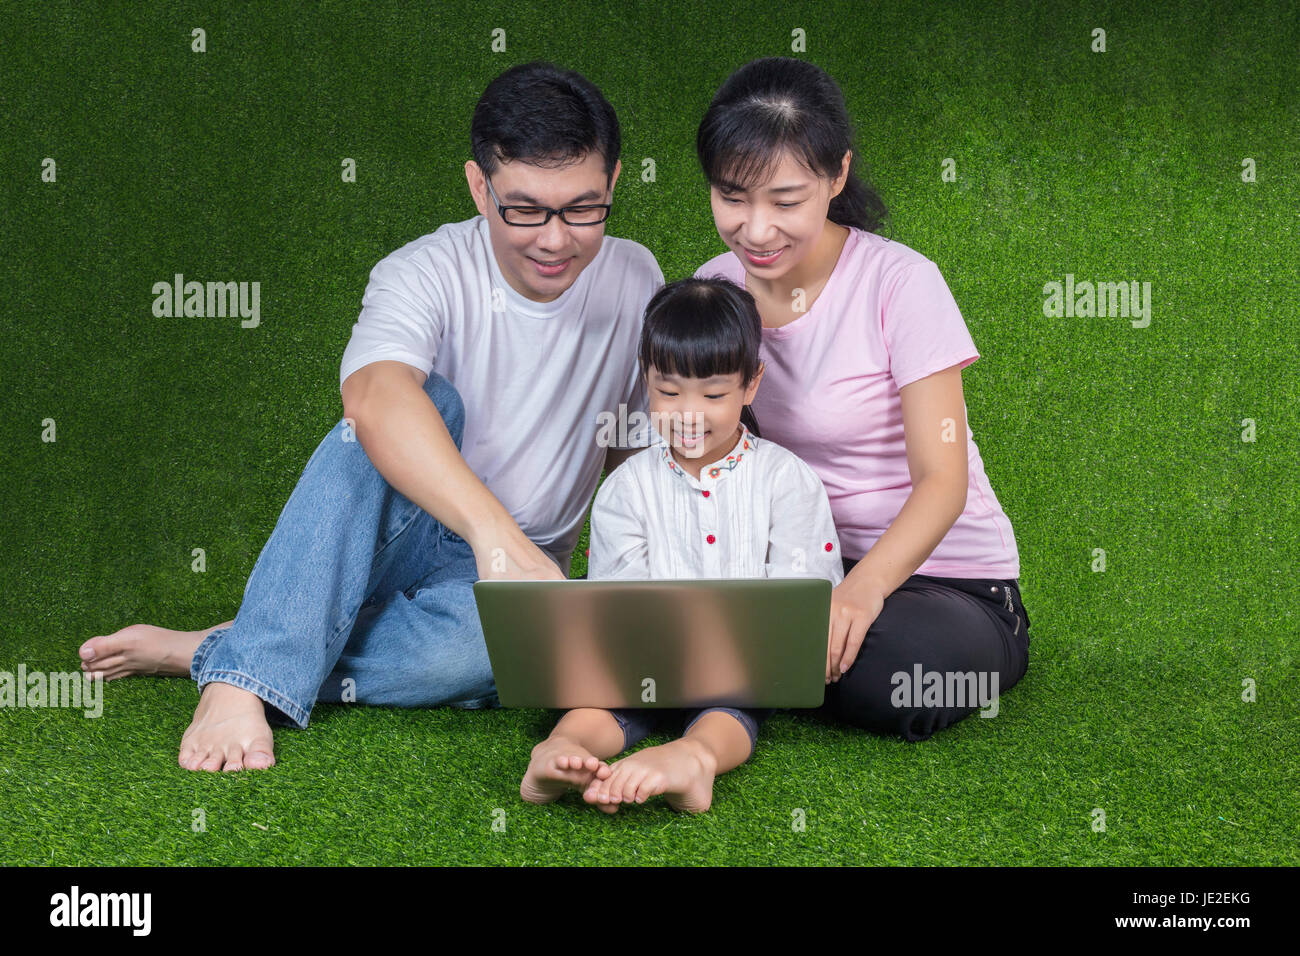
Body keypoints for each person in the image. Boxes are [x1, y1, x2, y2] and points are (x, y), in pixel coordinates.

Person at [76, 61, 663, 771]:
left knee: (486, 658)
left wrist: (623, 571)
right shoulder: (421, 271)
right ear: (479, 187)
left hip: (521, 574)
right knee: (416, 402)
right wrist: (493, 537)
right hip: (408, 530)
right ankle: (237, 680)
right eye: (526, 209)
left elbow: (635, 443)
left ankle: (229, 643)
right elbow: (375, 399)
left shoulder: (637, 276)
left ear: (615, 184)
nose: (555, 238)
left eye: (582, 208)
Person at [692, 57, 1032, 741]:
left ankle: (748, 662)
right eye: (733, 197)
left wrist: (862, 588)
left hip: (942, 583)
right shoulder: (714, 286)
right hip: (798, 568)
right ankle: (768, 655)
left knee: (893, 678)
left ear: (837, 176)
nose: (756, 230)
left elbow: (944, 483)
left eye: (785, 201)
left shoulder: (901, 283)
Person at [520, 276, 843, 814]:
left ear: (751, 384)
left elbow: (807, 602)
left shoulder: (787, 479)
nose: (688, 412)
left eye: (714, 395)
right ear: (646, 381)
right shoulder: (627, 487)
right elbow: (615, 603)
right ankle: (562, 749)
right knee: (599, 702)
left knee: (732, 711)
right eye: (668, 392)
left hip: (740, 671)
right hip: (638, 668)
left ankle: (695, 757)